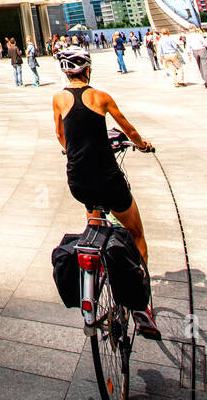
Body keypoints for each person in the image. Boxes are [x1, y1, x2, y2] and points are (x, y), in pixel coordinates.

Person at [51, 43, 161, 338]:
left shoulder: (58, 100)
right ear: (88, 69)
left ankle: (95, 272)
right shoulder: (101, 97)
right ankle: (141, 305)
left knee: (94, 218)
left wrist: (71, 153)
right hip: (107, 177)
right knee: (136, 232)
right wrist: (142, 144)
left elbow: (61, 135)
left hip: (78, 180)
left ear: (65, 72)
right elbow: (127, 128)